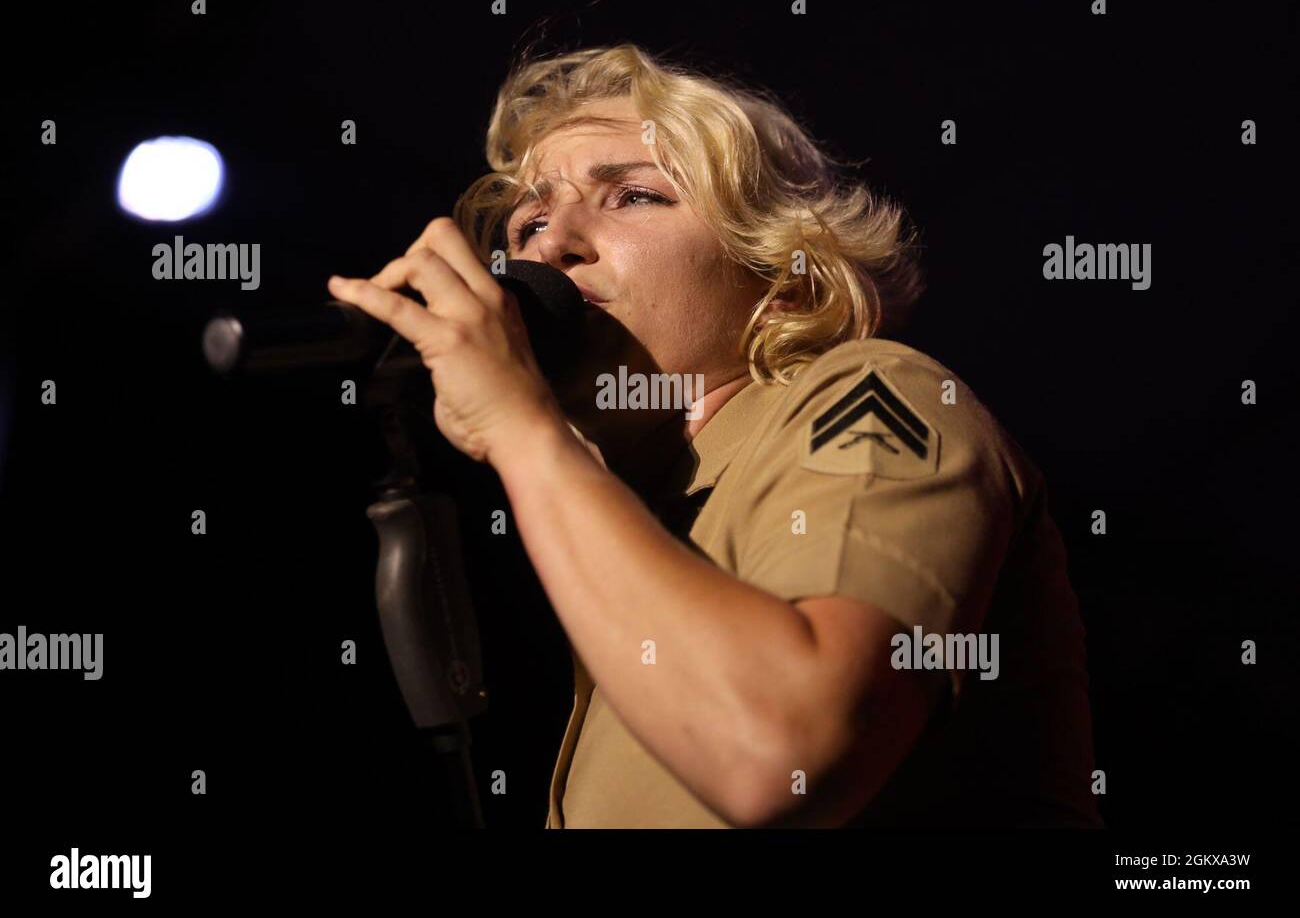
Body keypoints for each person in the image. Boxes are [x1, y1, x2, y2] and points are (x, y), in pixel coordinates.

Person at [326, 43, 1102, 828]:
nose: (550, 246)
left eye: (632, 196)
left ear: (785, 276)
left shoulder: (872, 391)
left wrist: (522, 431)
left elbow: (783, 756)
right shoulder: (636, 521)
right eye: (529, 220)